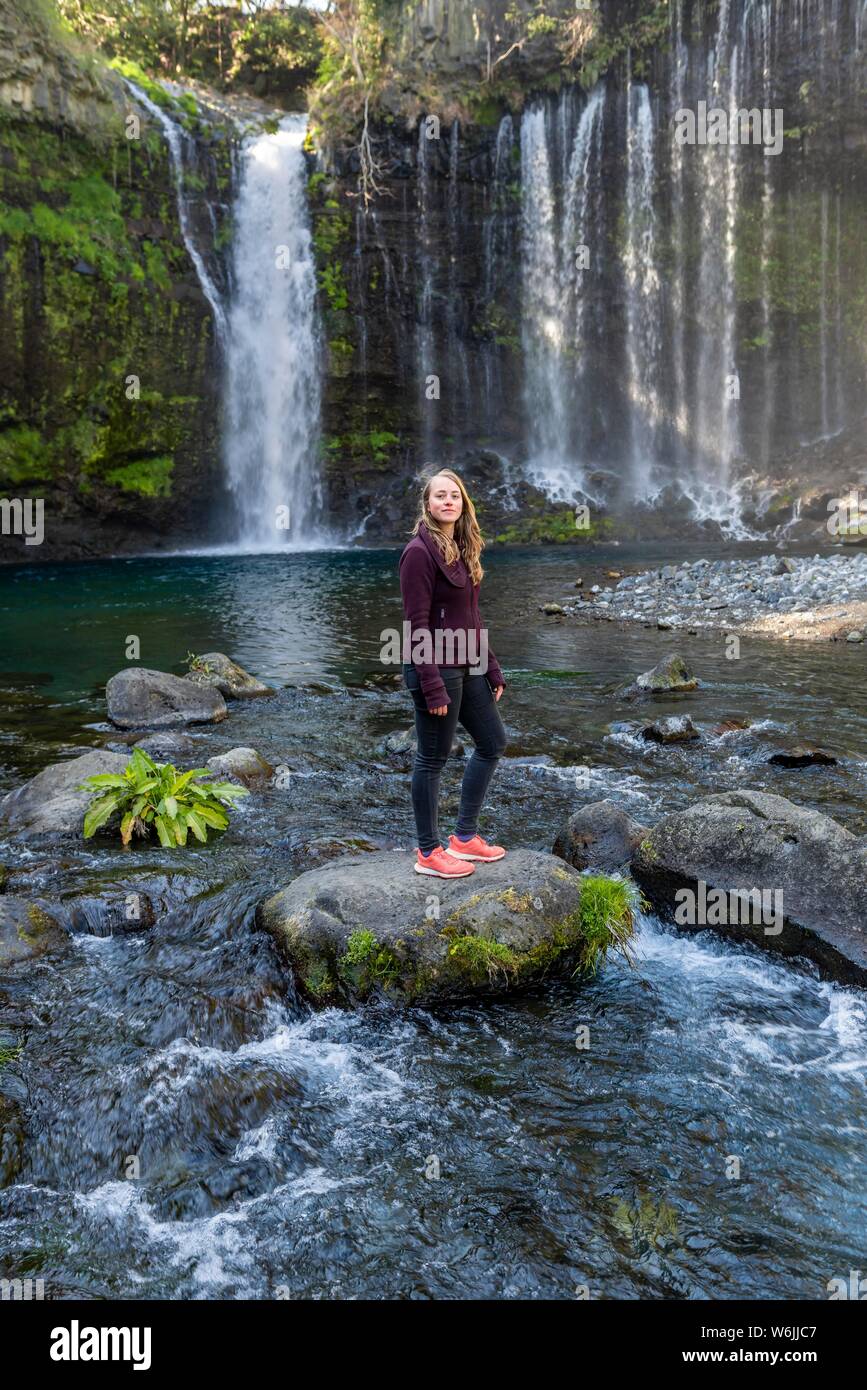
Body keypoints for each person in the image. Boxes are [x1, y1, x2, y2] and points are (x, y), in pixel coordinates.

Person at [398, 468, 508, 878]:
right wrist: (430, 685)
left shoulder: (461, 548)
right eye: (440, 495)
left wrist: (492, 667)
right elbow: (416, 623)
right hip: (436, 668)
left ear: (463, 504)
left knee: (493, 742)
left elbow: (472, 616)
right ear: (427, 504)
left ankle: (463, 838)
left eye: (455, 496)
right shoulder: (419, 553)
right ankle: (428, 851)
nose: (448, 501)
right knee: (432, 758)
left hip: (468, 663)